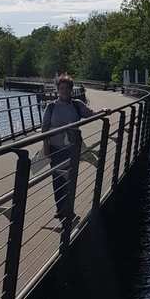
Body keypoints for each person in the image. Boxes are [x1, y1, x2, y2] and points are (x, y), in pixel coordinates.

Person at [41, 73, 96, 220]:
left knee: (70, 179)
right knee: (58, 179)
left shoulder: (77, 104)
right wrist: (46, 147)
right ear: (58, 89)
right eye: (62, 88)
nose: (64, 90)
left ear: (71, 89)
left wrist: (103, 111)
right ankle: (60, 209)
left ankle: (69, 209)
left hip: (72, 148)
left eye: (67, 88)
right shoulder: (51, 106)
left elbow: (90, 114)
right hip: (55, 148)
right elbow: (44, 128)